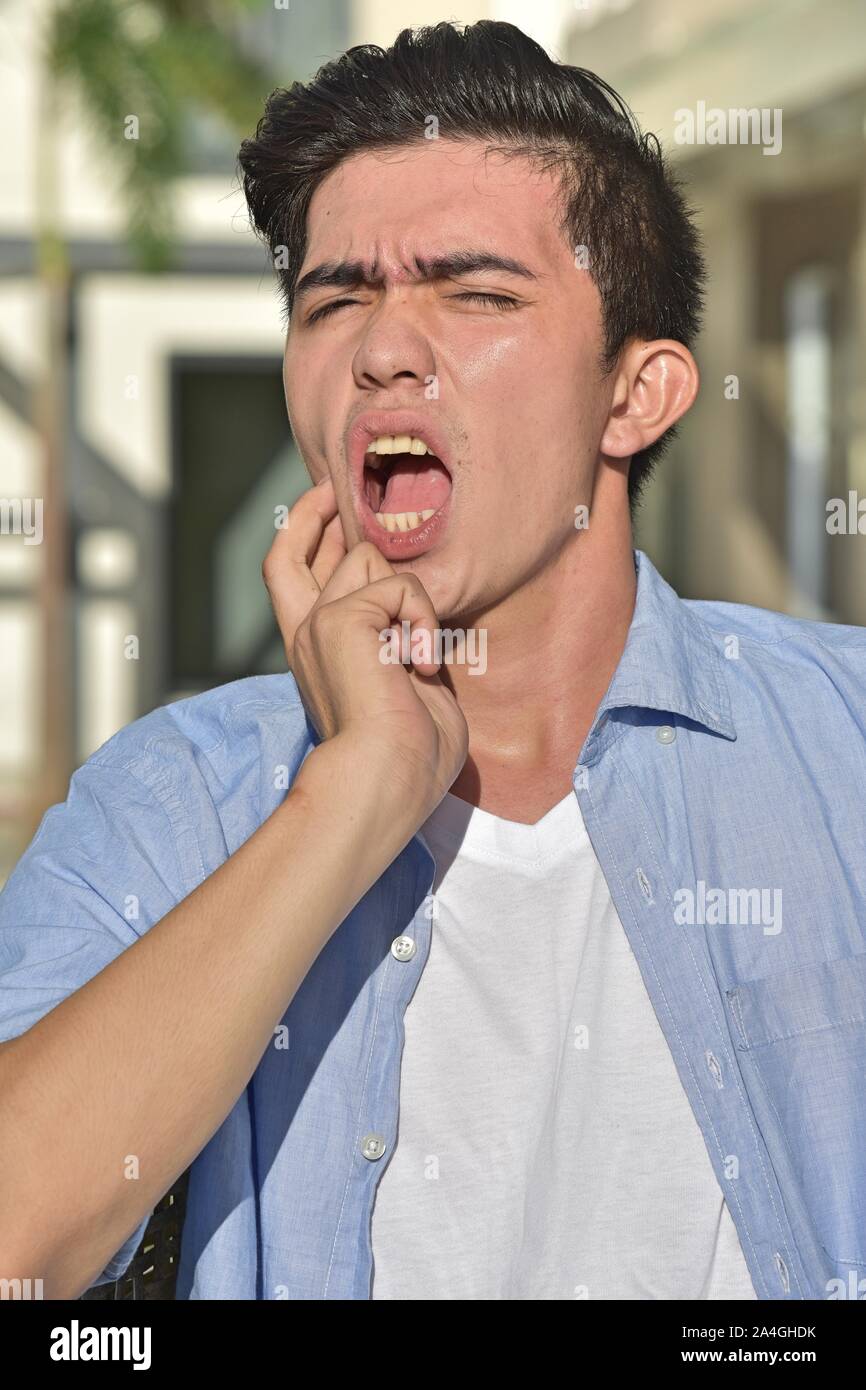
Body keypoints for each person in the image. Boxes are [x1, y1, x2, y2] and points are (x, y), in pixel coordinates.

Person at [1, 20, 864, 1302]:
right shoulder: (175, 798)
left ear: (637, 395)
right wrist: (354, 790)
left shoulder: (839, 741)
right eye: (334, 297)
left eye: (475, 294)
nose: (383, 348)